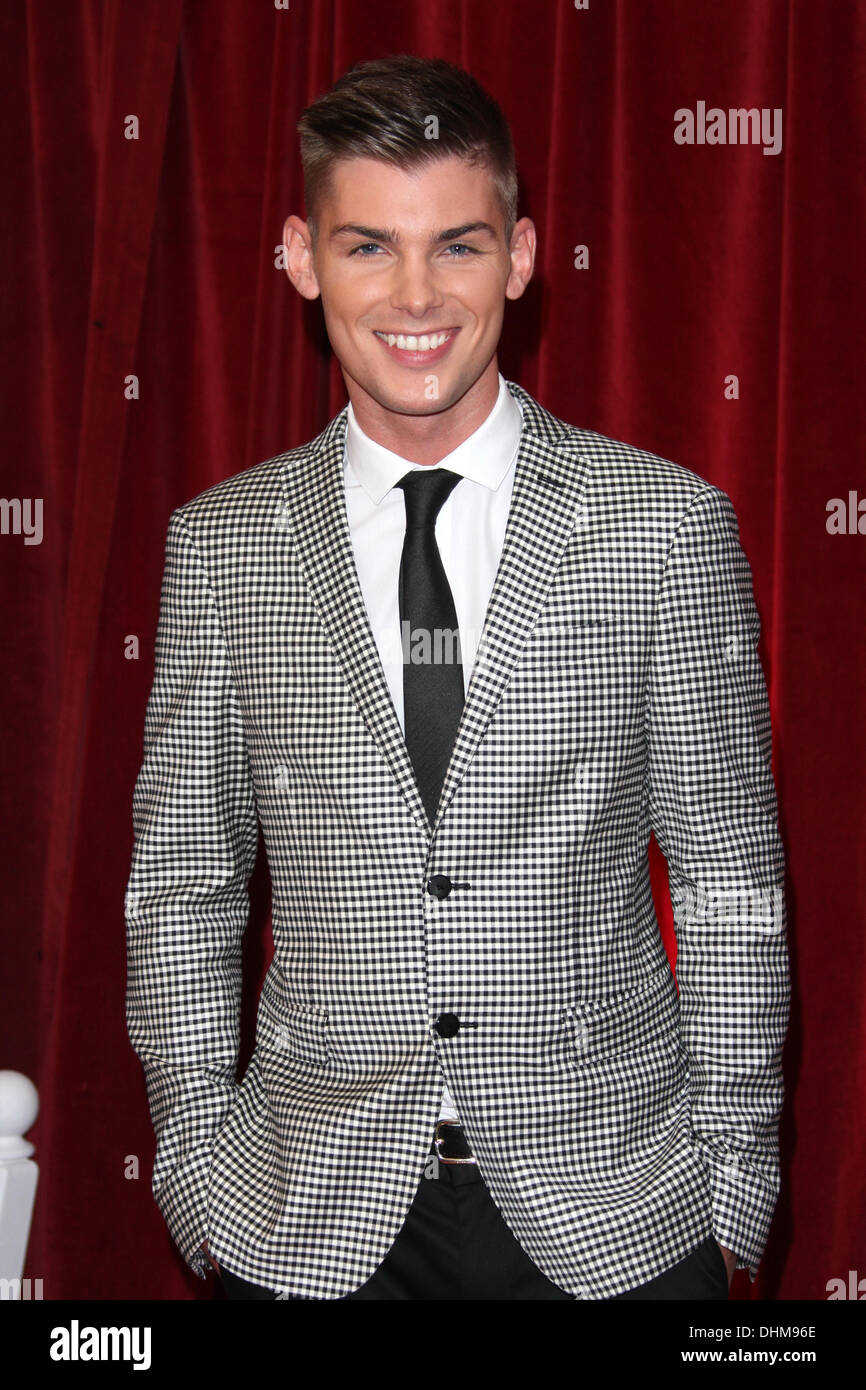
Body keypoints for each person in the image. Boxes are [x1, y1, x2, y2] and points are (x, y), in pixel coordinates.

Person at [125, 55, 789, 1301]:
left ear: (522, 257)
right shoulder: (221, 544)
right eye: (368, 245)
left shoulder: (661, 527)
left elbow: (730, 882)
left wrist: (729, 1185)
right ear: (299, 255)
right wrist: (195, 1170)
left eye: (459, 246)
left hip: (619, 1212)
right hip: (302, 1216)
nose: (415, 295)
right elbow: (180, 885)